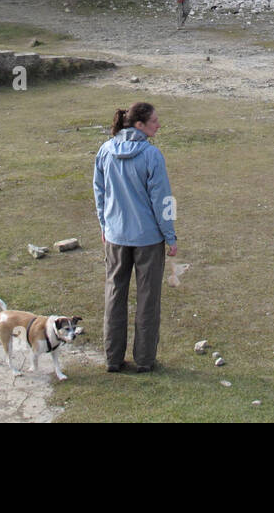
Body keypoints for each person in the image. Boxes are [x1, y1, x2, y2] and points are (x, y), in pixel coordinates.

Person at [93, 102, 177, 373]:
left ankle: (113, 359)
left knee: (115, 295)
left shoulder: (105, 151)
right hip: (148, 239)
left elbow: (100, 193)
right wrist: (170, 235)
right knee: (148, 298)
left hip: (116, 237)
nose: (158, 125)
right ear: (139, 125)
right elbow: (163, 200)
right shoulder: (152, 156)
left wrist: (105, 226)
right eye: (154, 121)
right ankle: (144, 360)